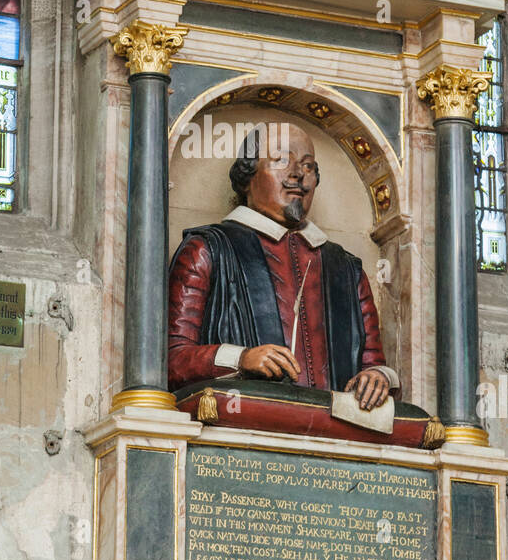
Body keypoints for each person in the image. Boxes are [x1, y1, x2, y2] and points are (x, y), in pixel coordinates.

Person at [168, 122, 399, 411]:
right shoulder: (207, 249)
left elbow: (373, 362)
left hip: (334, 432)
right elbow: (173, 360)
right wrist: (241, 359)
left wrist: (377, 378)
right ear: (246, 176)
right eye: (280, 160)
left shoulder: (347, 270)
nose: (298, 174)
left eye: (308, 166)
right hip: (244, 425)